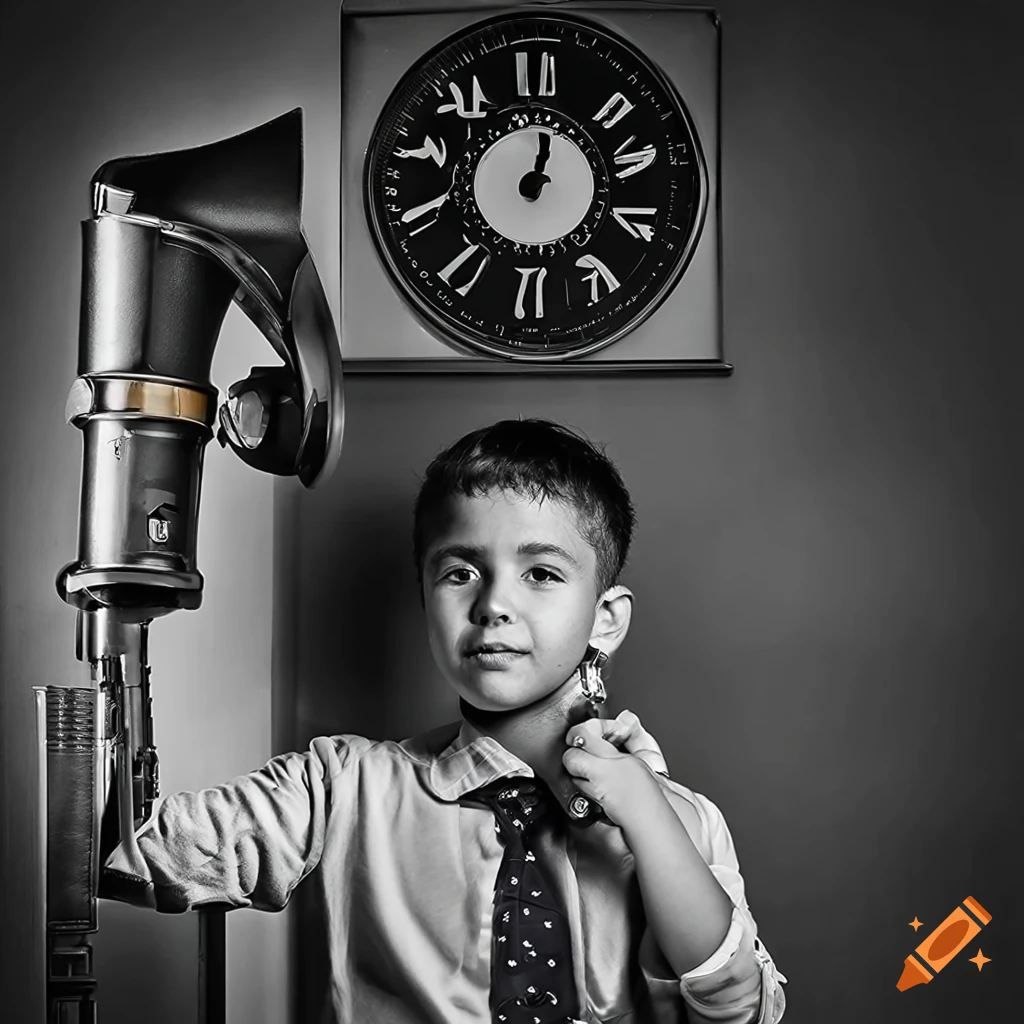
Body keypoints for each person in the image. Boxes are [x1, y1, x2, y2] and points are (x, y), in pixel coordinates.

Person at [102, 417, 788, 1024]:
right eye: (460, 573)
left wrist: (647, 815)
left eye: (541, 574)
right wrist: (114, 647)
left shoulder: (681, 819)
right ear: (427, 598)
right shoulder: (343, 787)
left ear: (604, 619)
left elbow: (740, 1011)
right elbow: (126, 848)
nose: (493, 605)